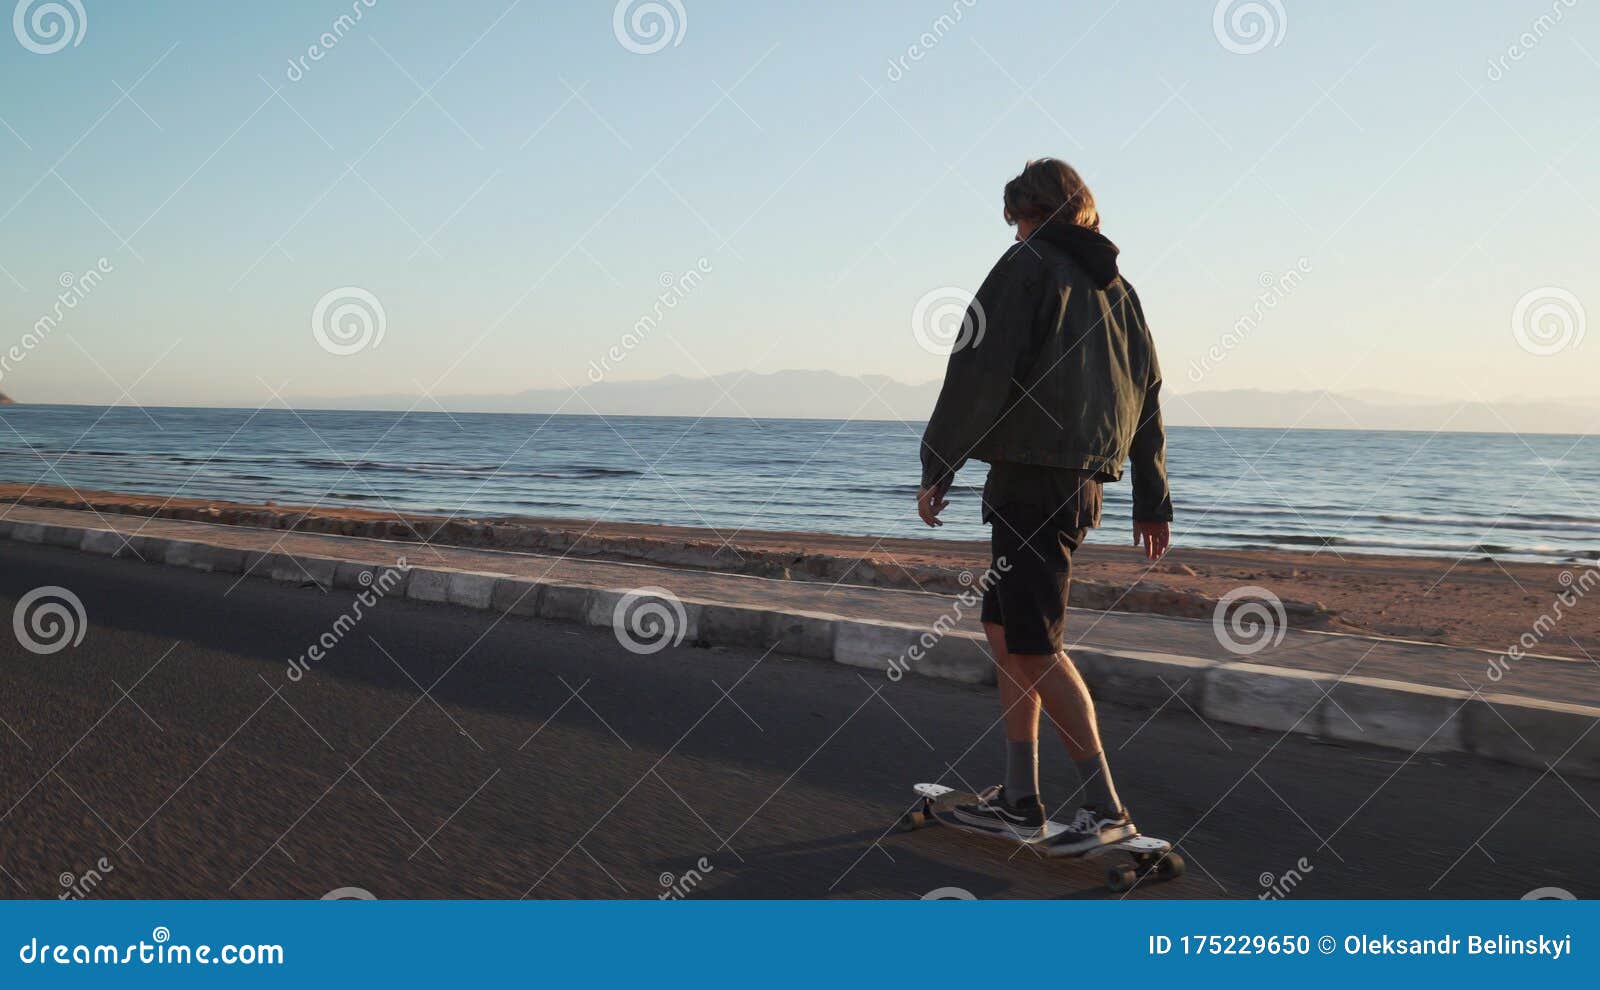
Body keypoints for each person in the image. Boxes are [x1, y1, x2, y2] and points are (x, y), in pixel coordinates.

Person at [916, 158, 1173, 854]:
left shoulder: (1026, 265)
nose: (1016, 230)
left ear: (1032, 214)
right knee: (1004, 631)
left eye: (1019, 218)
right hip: (1069, 487)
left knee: (1035, 642)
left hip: (1035, 483)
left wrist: (937, 462)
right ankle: (1021, 797)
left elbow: (977, 365)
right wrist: (1153, 501)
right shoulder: (1121, 290)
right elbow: (1148, 397)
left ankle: (1108, 807)